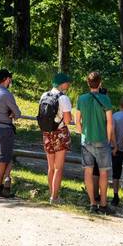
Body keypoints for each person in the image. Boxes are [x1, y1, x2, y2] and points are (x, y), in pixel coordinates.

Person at [75, 72, 115, 214]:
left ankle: (92, 203)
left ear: (88, 83)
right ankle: (103, 204)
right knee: (104, 173)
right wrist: (109, 138)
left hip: (87, 141)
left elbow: (77, 121)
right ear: (100, 83)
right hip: (102, 140)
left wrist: (82, 133)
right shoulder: (105, 99)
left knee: (88, 171)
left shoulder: (81, 99)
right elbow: (110, 122)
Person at [40, 73, 75, 204]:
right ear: (62, 84)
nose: (69, 85)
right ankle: (54, 197)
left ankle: (51, 193)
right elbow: (67, 119)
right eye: (67, 82)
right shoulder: (63, 98)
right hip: (59, 133)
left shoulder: (44, 95)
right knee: (59, 167)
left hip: (47, 133)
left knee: (50, 167)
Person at [0, 69, 22, 198]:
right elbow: (17, 113)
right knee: (4, 158)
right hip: (4, 128)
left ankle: (5, 184)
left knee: (4, 157)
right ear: (7, 79)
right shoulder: (6, 94)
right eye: (10, 79)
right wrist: (12, 114)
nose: (10, 81)